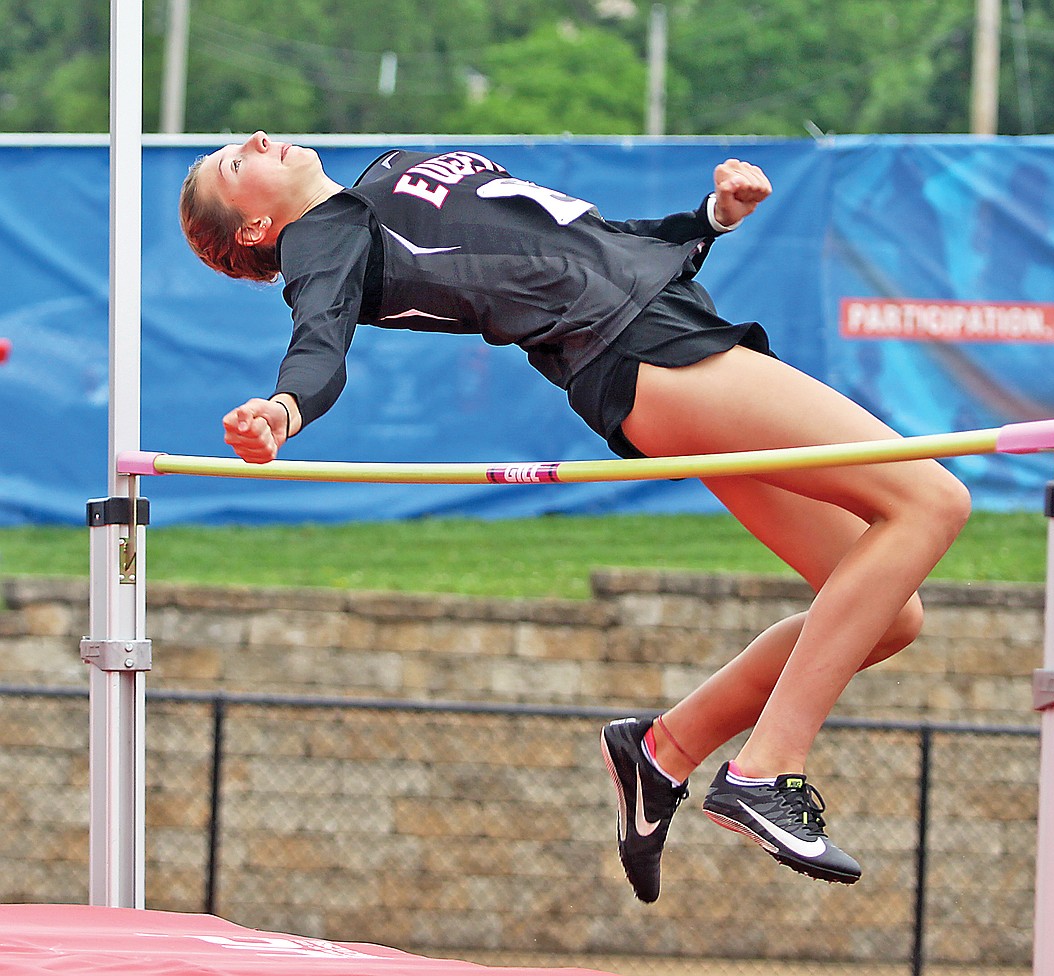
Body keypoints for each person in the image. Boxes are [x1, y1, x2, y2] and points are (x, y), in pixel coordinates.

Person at [180, 131, 972, 902]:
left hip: (656, 329)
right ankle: (765, 770)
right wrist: (283, 410)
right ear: (255, 226)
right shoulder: (326, 240)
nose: (254, 137)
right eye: (234, 161)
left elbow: (583, 238)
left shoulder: (388, 173)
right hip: (643, 352)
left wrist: (711, 217)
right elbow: (319, 339)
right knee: (932, 500)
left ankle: (663, 749)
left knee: (889, 616)